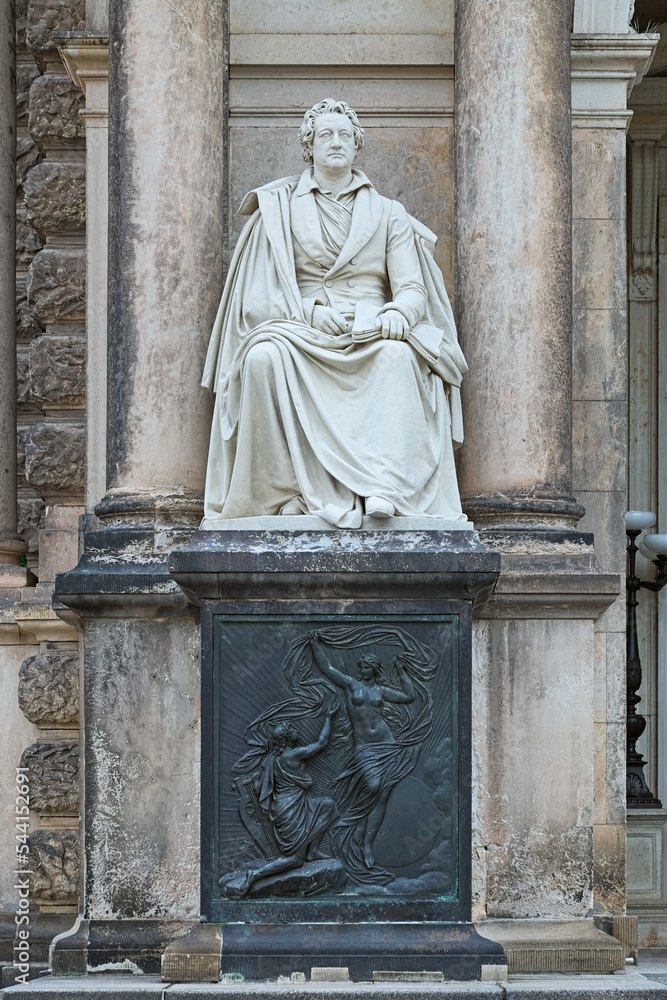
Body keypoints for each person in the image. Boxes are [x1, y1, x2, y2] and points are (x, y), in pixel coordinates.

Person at [202, 99, 468, 529]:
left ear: (357, 145)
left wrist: (399, 313)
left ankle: (385, 485)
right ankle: (285, 492)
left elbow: (413, 288)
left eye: (345, 135)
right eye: (325, 135)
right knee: (260, 359)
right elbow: (254, 296)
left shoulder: (388, 213)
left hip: (371, 328)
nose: (336, 142)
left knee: (398, 358)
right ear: (309, 146)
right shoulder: (278, 209)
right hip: (298, 325)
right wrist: (306, 311)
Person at [309, 637, 419, 881]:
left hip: (387, 744)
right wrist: (315, 644)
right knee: (373, 785)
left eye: (366, 666)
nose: (361, 669)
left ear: (374, 669)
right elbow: (327, 669)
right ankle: (358, 824)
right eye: (360, 666)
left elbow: (409, 696)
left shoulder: (381, 691)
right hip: (365, 747)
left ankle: (367, 843)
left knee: (383, 795)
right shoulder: (350, 685)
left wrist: (402, 672)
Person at [234, 709, 338, 897]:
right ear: (288, 737)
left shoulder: (270, 760)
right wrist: (329, 718)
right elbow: (321, 743)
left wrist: (258, 776)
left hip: (286, 806)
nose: (297, 731)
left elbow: (258, 790)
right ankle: (255, 874)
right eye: (292, 729)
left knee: (328, 805)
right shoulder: (294, 754)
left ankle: (312, 852)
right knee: (295, 860)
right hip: (292, 809)